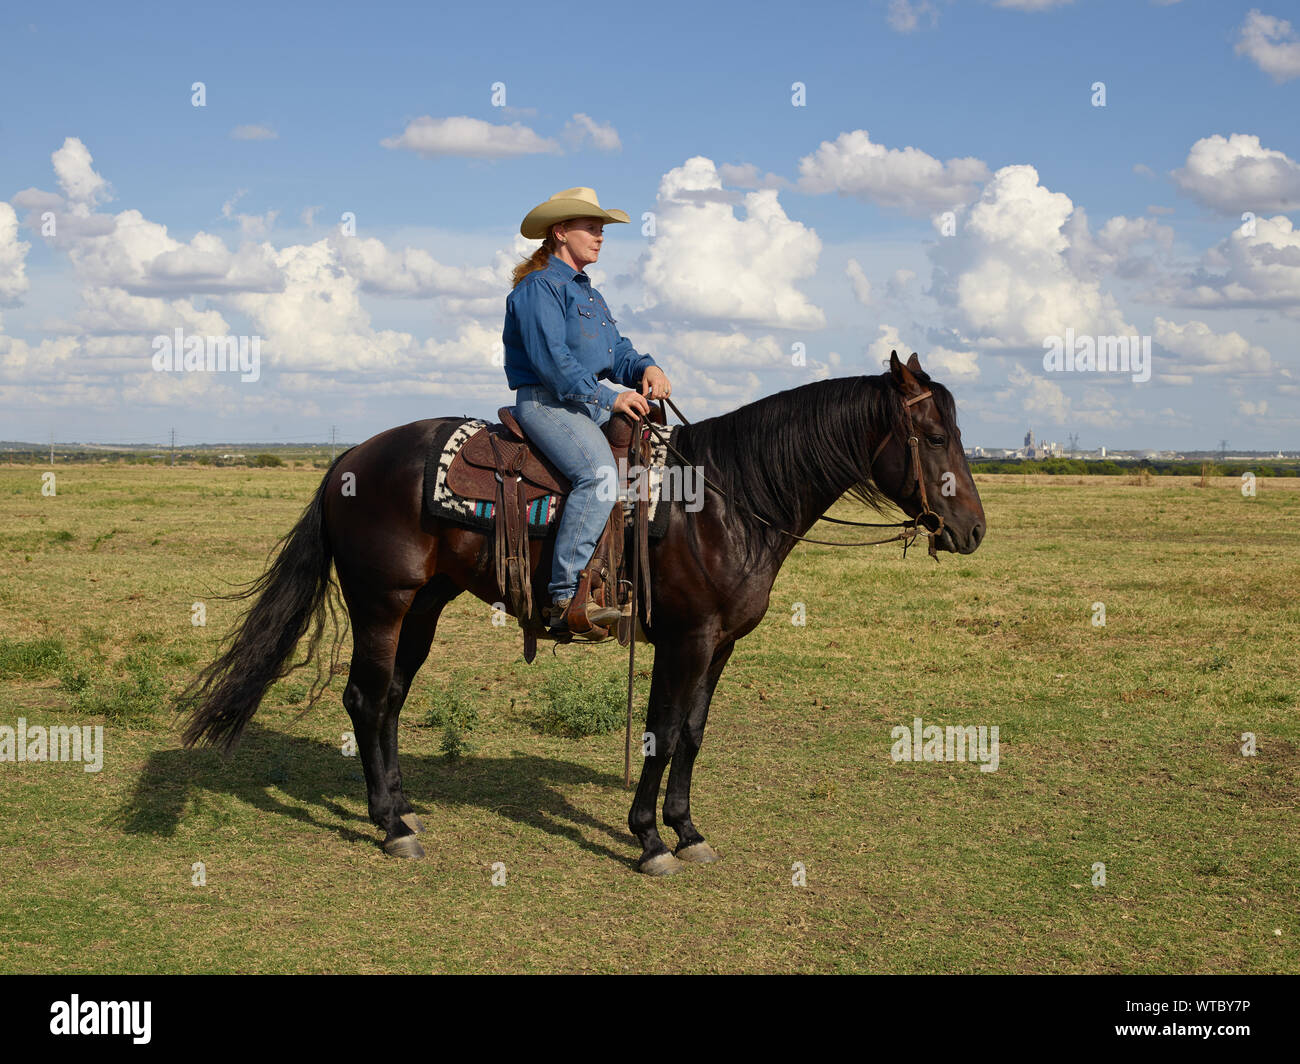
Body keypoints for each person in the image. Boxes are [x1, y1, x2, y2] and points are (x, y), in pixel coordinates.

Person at [502, 187, 673, 634]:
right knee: (599, 475)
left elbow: (616, 352)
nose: (600, 237)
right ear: (561, 232)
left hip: (584, 401)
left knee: (657, 456)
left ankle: (628, 575)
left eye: (602, 230)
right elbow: (552, 362)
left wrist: (645, 367)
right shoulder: (539, 288)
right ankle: (564, 597)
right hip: (546, 401)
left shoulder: (588, 294)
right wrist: (609, 398)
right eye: (592, 228)